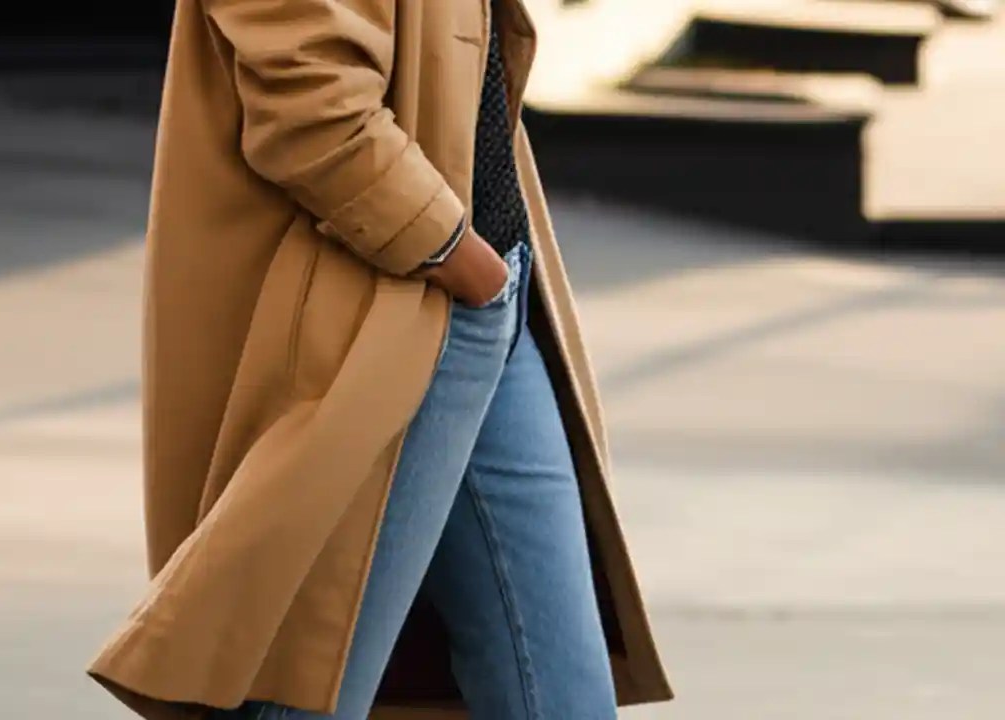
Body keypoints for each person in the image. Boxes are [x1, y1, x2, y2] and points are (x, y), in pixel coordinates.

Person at [86, 1, 673, 719]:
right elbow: (311, 103)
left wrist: (484, 275)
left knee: (563, 696)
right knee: (306, 679)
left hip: (484, 291)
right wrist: (456, 258)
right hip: (395, 303)